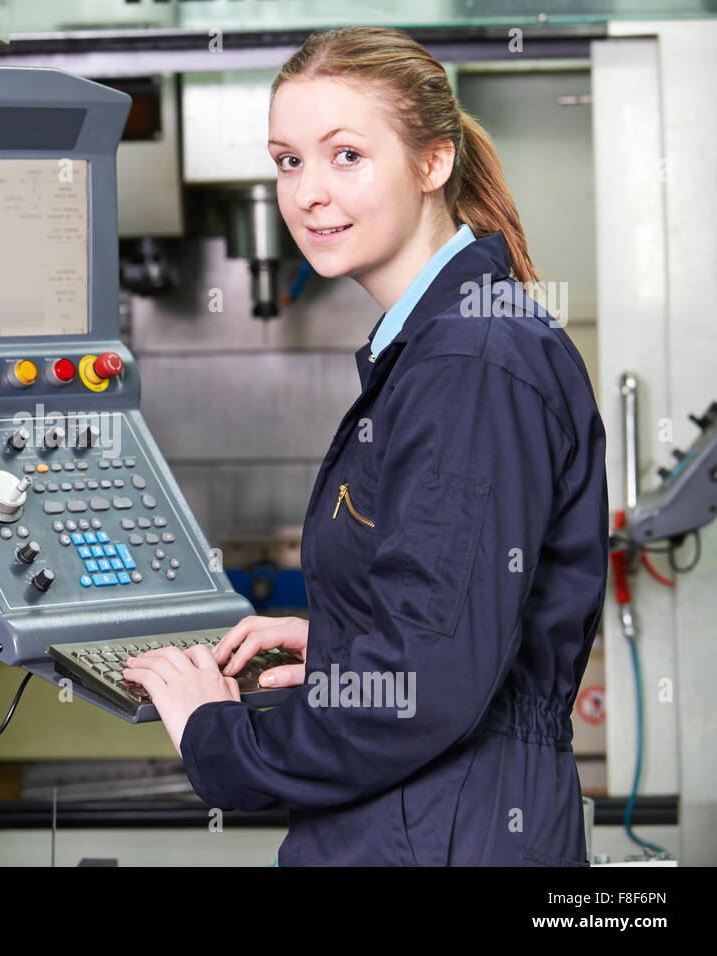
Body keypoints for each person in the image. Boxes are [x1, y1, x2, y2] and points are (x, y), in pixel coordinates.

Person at [122, 25, 608, 866]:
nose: (309, 192)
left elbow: (421, 692)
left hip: (443, 832)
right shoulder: (447, 345)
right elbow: (452, 632)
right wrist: (345, 643)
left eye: (346, 155)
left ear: (433, 163)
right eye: (287, 161)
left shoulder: (470, 361)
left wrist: (218, 738)